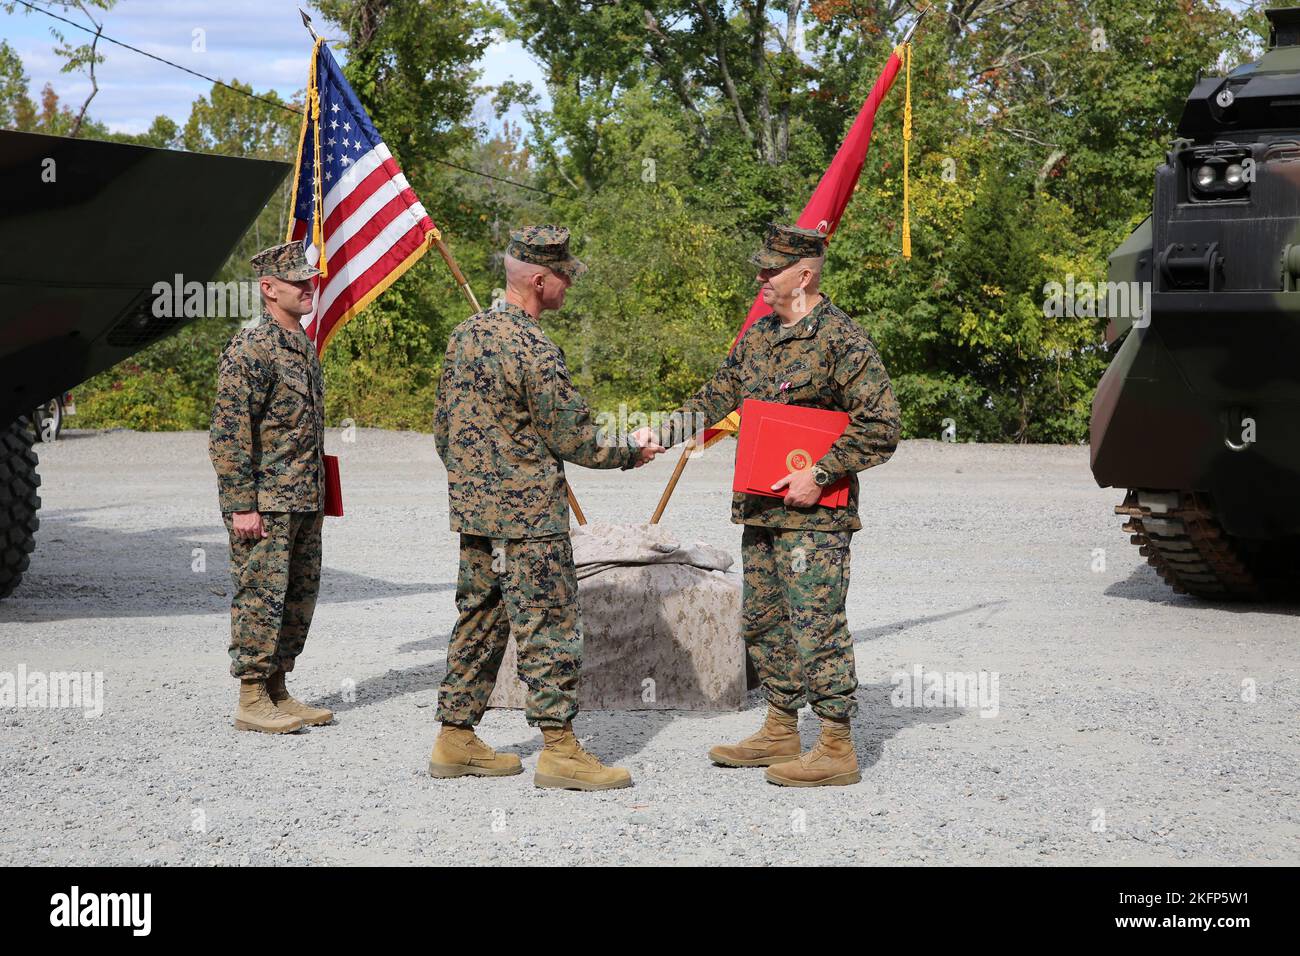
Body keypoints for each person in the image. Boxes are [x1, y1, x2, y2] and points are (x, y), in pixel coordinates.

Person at [645, 223, 900, 786]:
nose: (760, 277)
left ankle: (836, 744)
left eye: (771, 269)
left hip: (815, 512)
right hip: (762, 509)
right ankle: (782, 727)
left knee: (816, 623)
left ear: (804, 275)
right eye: (760, 267)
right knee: (762, 621)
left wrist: (823, 471)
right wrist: (660, 436)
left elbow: (882, 425)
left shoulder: (841, 340)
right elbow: (717, 395)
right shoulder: (760, 336)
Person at [430, 225, 664, 790]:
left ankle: (455, 737)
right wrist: (634, 449)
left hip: (477, 515)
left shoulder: (464, 336)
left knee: (480, 619)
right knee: (550, 627)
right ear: (539, 280)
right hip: (529, 520)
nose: (568, 285)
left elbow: (443, 431)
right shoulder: (534, 348)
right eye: (564, 277)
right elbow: (575, 438)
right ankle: (559, 751)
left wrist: (478, 482)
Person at [209, 239, 334, 734]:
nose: (309, 288)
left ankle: (278, 688)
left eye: (309, 280)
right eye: (298, 282)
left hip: (303, 496)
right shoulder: (252, 348)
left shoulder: (301, 343)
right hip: (265, 501)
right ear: (268, 288)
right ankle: (251, 696)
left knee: (298, 595)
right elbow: (228, 433)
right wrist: (242, 505)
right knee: (260, 596)